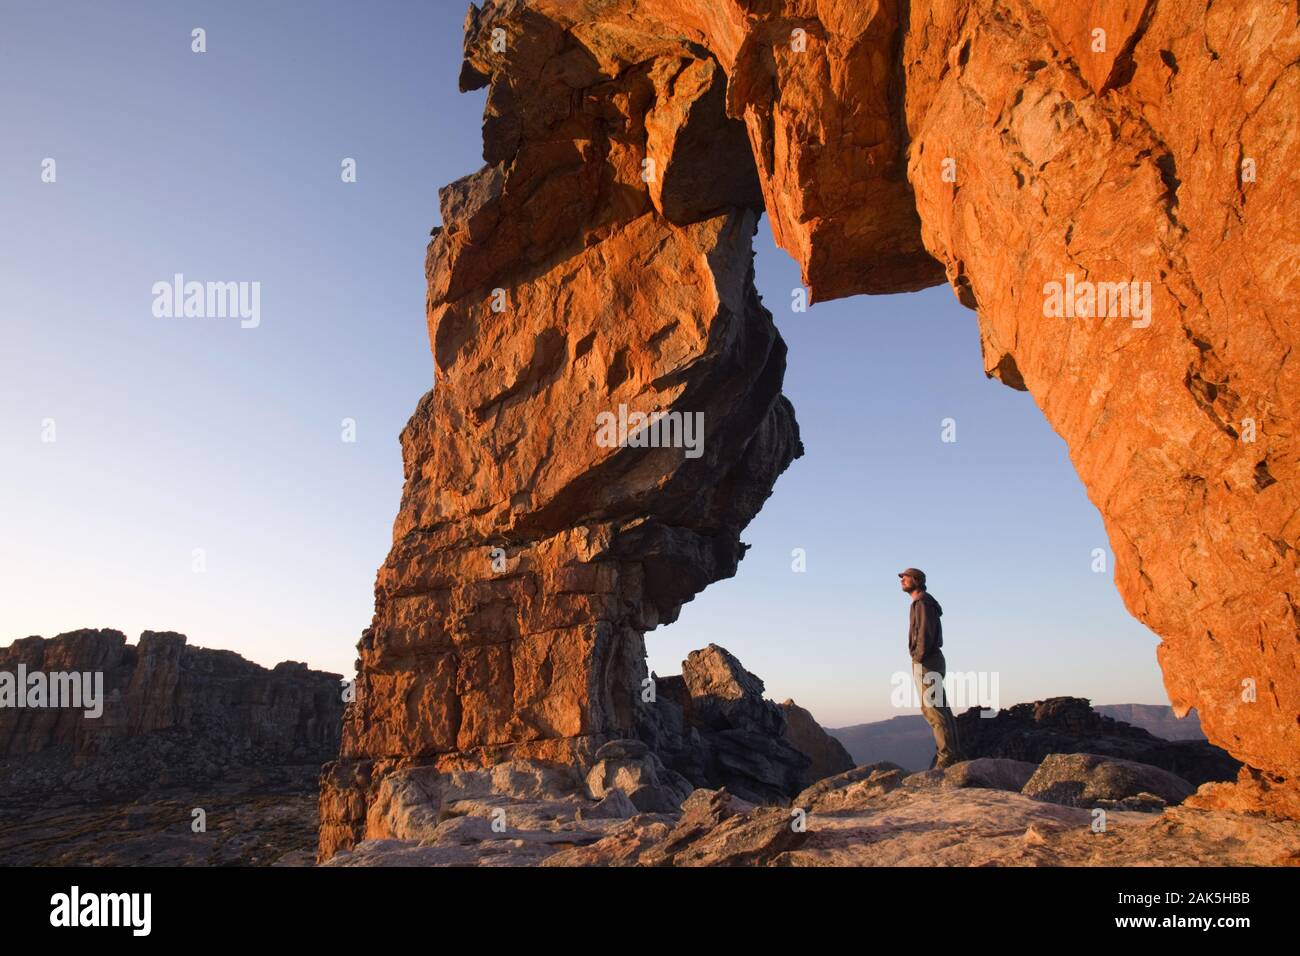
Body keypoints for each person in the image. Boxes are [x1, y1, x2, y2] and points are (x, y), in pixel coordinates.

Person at [899, 567, 964, 769]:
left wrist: (918, 657)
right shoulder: (923, 602)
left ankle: (946, 757)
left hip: (927, 660)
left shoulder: (923, 603)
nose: (902, 581)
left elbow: (925, 634)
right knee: (939, 707)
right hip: (931, 659)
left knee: (933, 710)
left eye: (906, 578)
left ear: (916, 581)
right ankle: (954, 754)